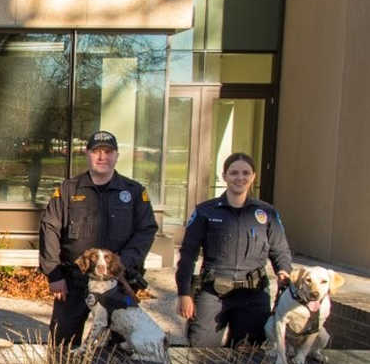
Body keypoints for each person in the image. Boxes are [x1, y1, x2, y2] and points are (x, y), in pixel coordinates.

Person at [38, 130, 158, 347]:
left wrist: (123, 262)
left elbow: (146, 230)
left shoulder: (133, 192)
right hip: (74, 282)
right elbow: (49, 229)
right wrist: (54, 274)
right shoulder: (68, 190)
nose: (102, 156)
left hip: (117, 284)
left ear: (117, 156)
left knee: (117, 348)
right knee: (62, 343)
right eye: (96, 151)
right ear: (87, 154)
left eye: (108, 151)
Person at [176, 152, 292, 348]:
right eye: (234, 173)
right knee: (200, 354)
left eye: (246, 173)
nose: (240, 178)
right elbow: (188, 254)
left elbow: (280, 250)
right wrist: (184, 293)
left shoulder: (266, 213)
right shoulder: (205, 211)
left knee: (247, 358)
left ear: (254, 176)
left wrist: (284, 271)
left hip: (253, 294)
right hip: (213, 292)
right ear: (224, 176)